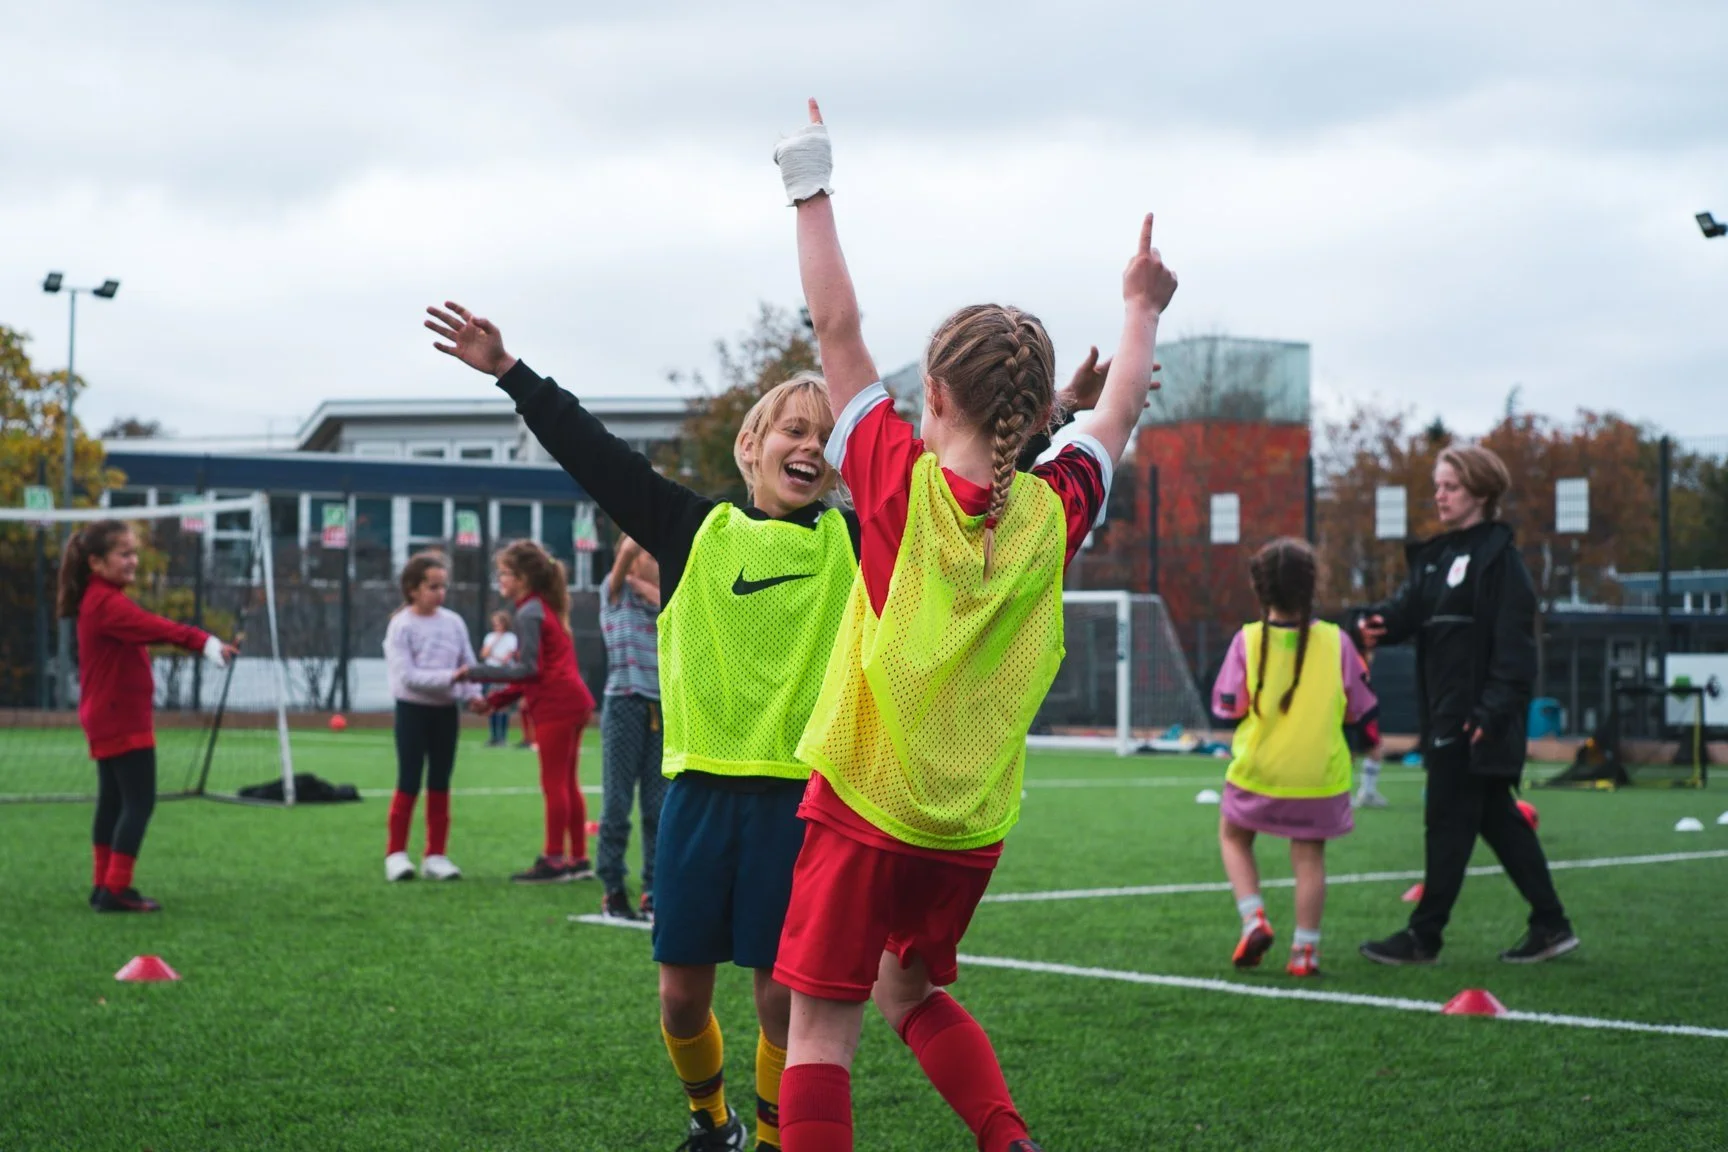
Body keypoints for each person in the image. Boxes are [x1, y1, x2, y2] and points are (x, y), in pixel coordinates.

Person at [767, 100, 1175, 1152]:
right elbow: (1121, 409)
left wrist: (810, 182)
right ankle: (1009, 1140)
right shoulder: (1055, 509)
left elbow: (835, 329)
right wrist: (1141, 306)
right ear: (1033, 417)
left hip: (864, 805)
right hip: (967, 830)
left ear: (935, 394)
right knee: (908, 993)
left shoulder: (893, 484)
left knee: (820, 1032)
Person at [1357, 444, 1579, 966]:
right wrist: (1368, 624)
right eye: (1438, 486)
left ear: (1480, 493)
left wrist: (1490, 713)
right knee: (1498, 821)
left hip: (1473, 721)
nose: (1439, 495)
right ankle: (1551, 924)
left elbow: (1515, 652)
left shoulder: (1501, 563)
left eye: (1450, 487)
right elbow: (1404, 612)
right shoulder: (1436, 557)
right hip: (1446, 713)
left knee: (1446, 821)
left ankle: (1424, 936)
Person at [1210, 538, 1376, 977]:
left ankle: (1253, 918)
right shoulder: (1338, 642)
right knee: (1309, 859)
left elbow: (1228, 706)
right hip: (1319, 776)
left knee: (1233, 837)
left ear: (1259, 587)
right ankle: (1305, 952)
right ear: (1312, 585)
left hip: (1259, 771)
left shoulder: (1247, 640)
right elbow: (1359, 709)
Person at [58, 520, 236, 912]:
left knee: (113, 801)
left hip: (105, 715)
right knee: (139, 802)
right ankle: (116, 889)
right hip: (120, 718)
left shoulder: (99, 598)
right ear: (96, 562)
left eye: (134, 553)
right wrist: (206, 643)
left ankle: (103, 884)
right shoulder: (106, 603)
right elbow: (156, 628)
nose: (133, 561)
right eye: (124, 554)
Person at [459, 541, 598, 884]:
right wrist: (495, 701)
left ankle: (554, 860)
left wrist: (475, 672)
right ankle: (579, 859)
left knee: (555, 784)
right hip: (573, 701)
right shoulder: (542, 608)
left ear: (523, 578)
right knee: (568, 783)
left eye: (505, 573)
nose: (500, 580)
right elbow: (535, 671)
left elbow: (528, 670)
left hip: (556, 704)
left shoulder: (528, 613)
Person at [382, 552, 481, 882]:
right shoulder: (401, 625)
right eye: (433, 586)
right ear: (413, 589)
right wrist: (451, 678)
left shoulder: (453, 622)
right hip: (412, 712)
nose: (440, 593)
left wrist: (474, 696)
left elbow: (468, 664)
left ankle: (436, 855)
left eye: (443, 586)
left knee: (440, 782)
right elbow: (408, 676)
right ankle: (396, 854)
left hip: (445, 713)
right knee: (409, 779)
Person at [596, 534, 668, 922]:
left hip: (663, 709)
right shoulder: (614, 594)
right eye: (647, 554)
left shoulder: (666, 598)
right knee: (617, 803)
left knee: (658, 807)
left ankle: (653, 889)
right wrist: (632, 541)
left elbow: (668, 602)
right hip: (625, 704)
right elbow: (623, 555)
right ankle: (612, 887)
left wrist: (647, 586)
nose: (655, 560)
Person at [1345, 631, 1388, 809]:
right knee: (1349, 754)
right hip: (1352, 711)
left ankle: (1367, 792)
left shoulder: (1362, 657)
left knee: (1375, 750)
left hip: (1362, 711)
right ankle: (1345, 795)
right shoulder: (1353, 656)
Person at [480, 611, 519, 747]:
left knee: (503, 705)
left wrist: (496, 658)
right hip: (491, 672)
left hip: (504, 673)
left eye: (498, 622)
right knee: (491, 703)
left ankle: (502, 737)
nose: (496, 625)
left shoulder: (511, 638)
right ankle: (493, 737)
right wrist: (495, 640)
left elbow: (507, 658)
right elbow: (484, 654)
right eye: (494, 623)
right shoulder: (490, 637)